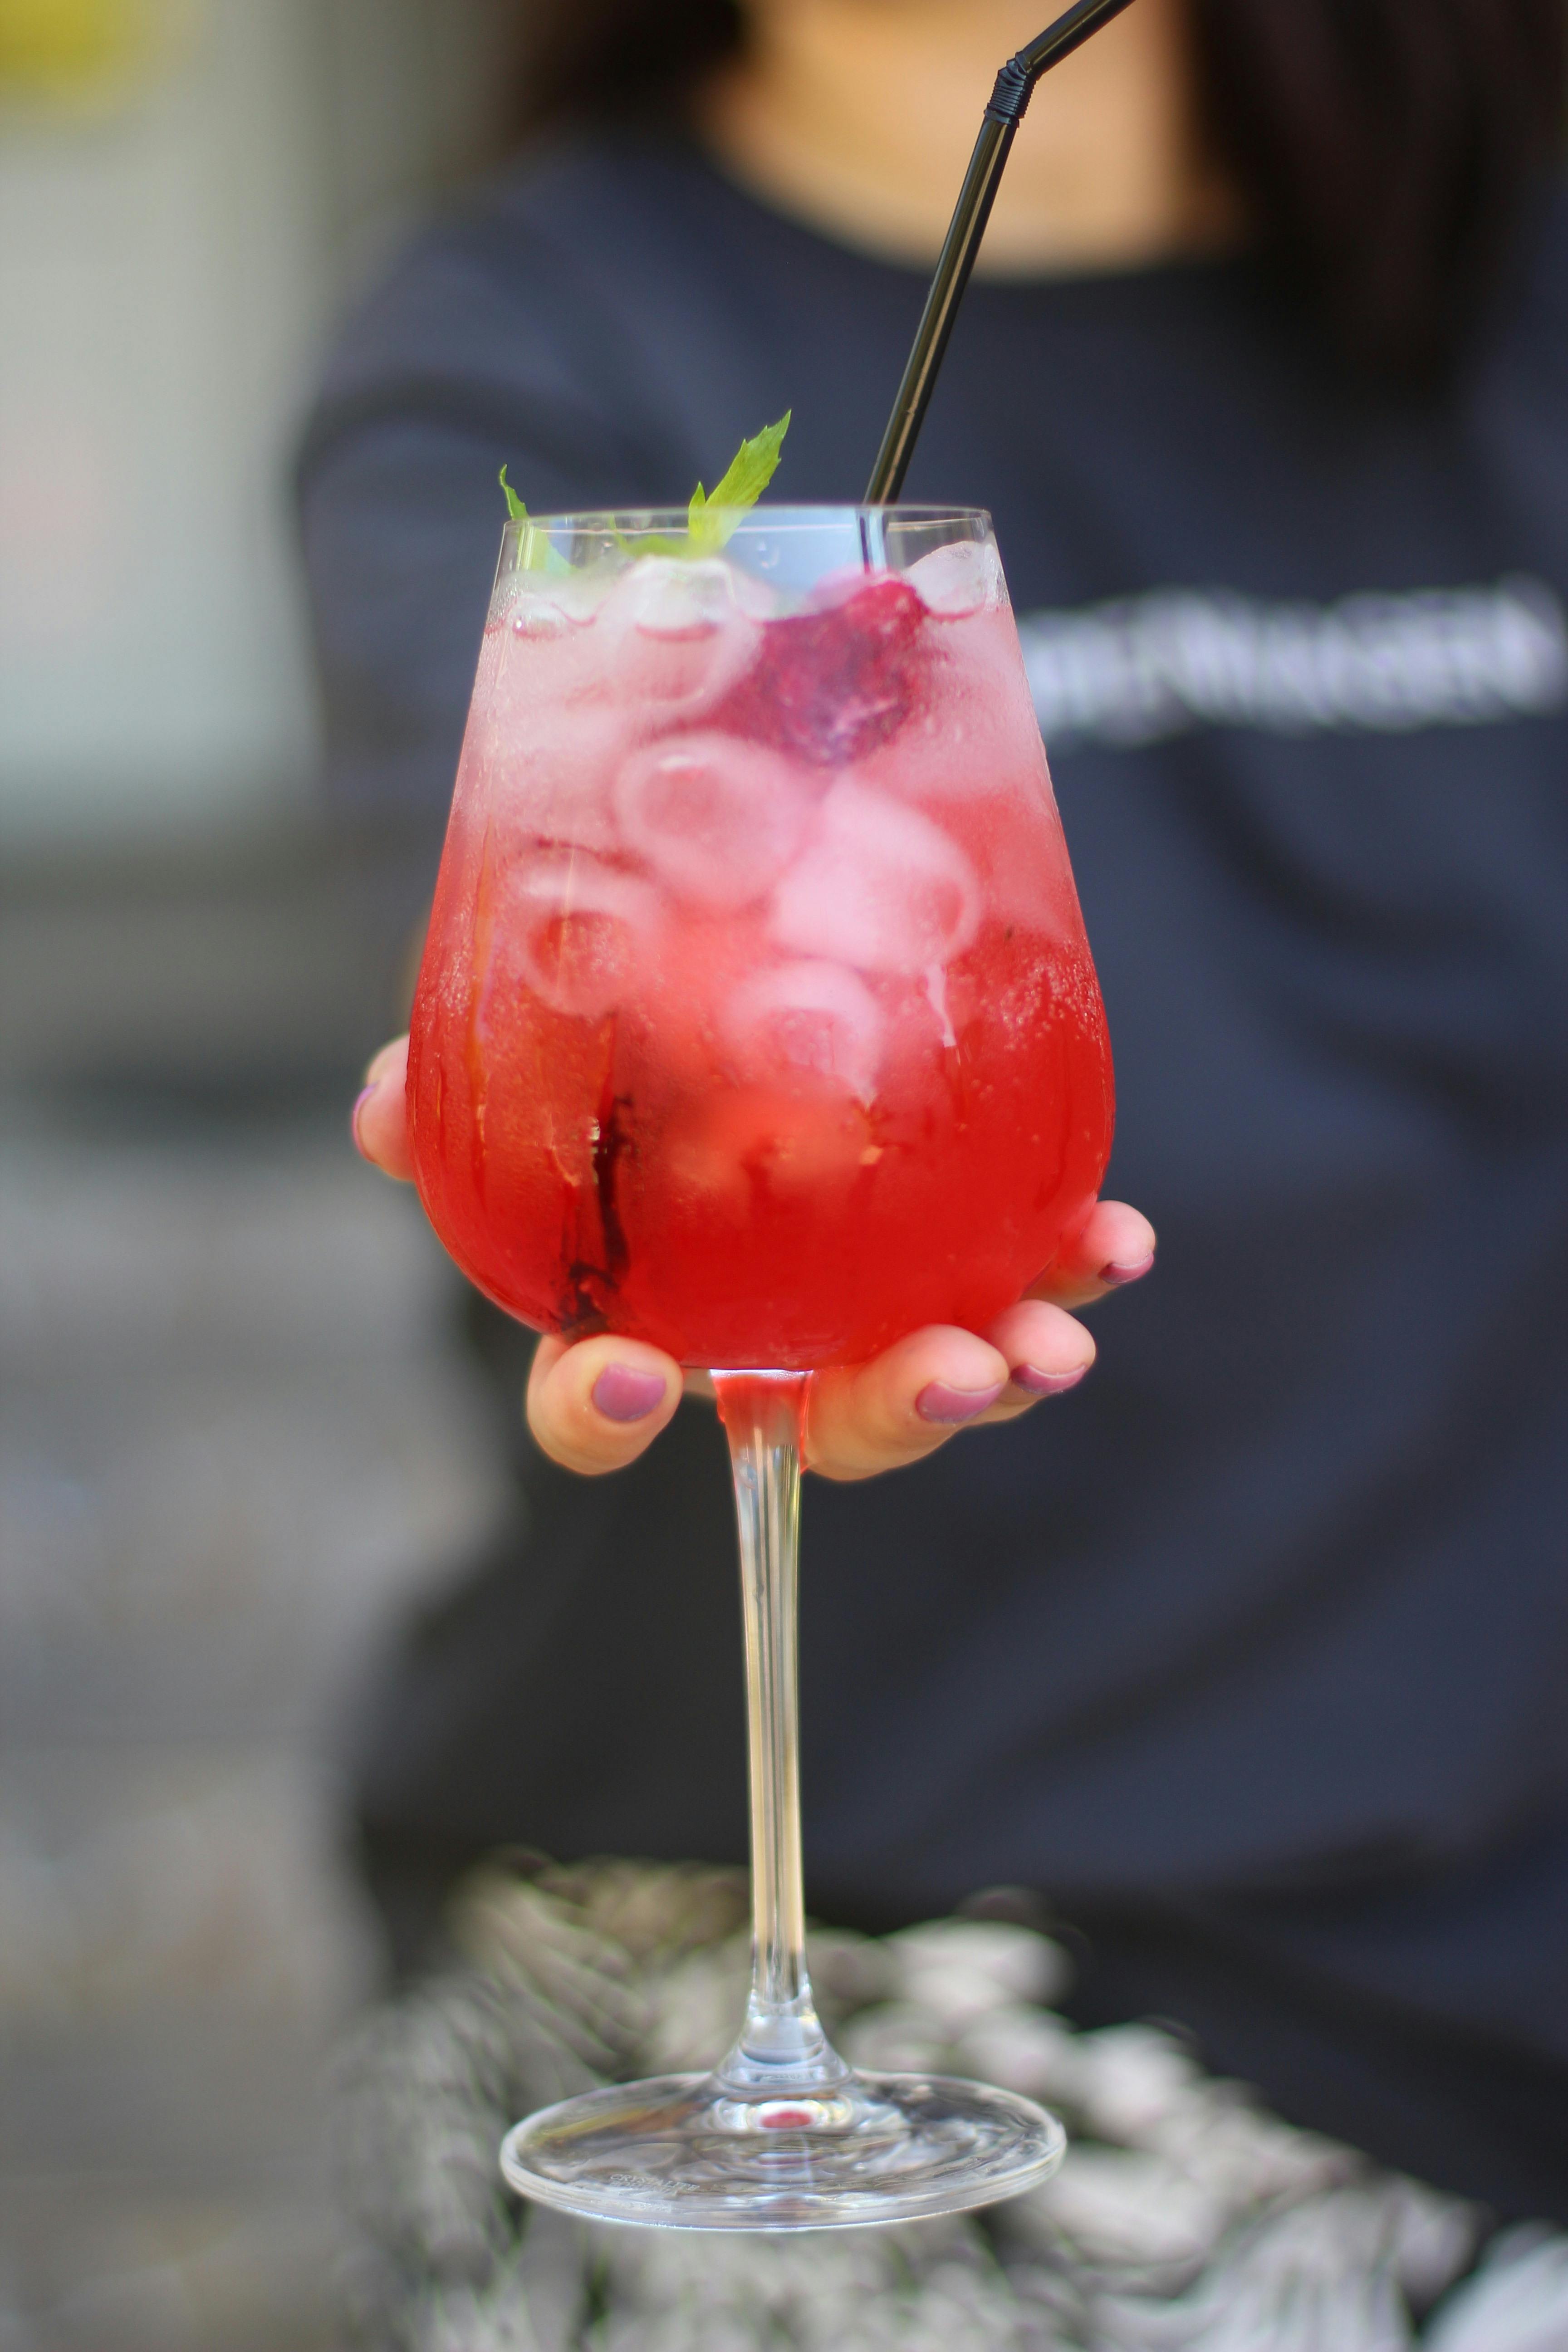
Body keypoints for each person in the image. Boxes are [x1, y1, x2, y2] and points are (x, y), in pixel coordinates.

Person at [301, 0, 1568, 2219]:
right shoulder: (522, 327)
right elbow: (581, 1014)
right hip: (899, 1931)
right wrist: (650, 1172)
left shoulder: (1514, 296)